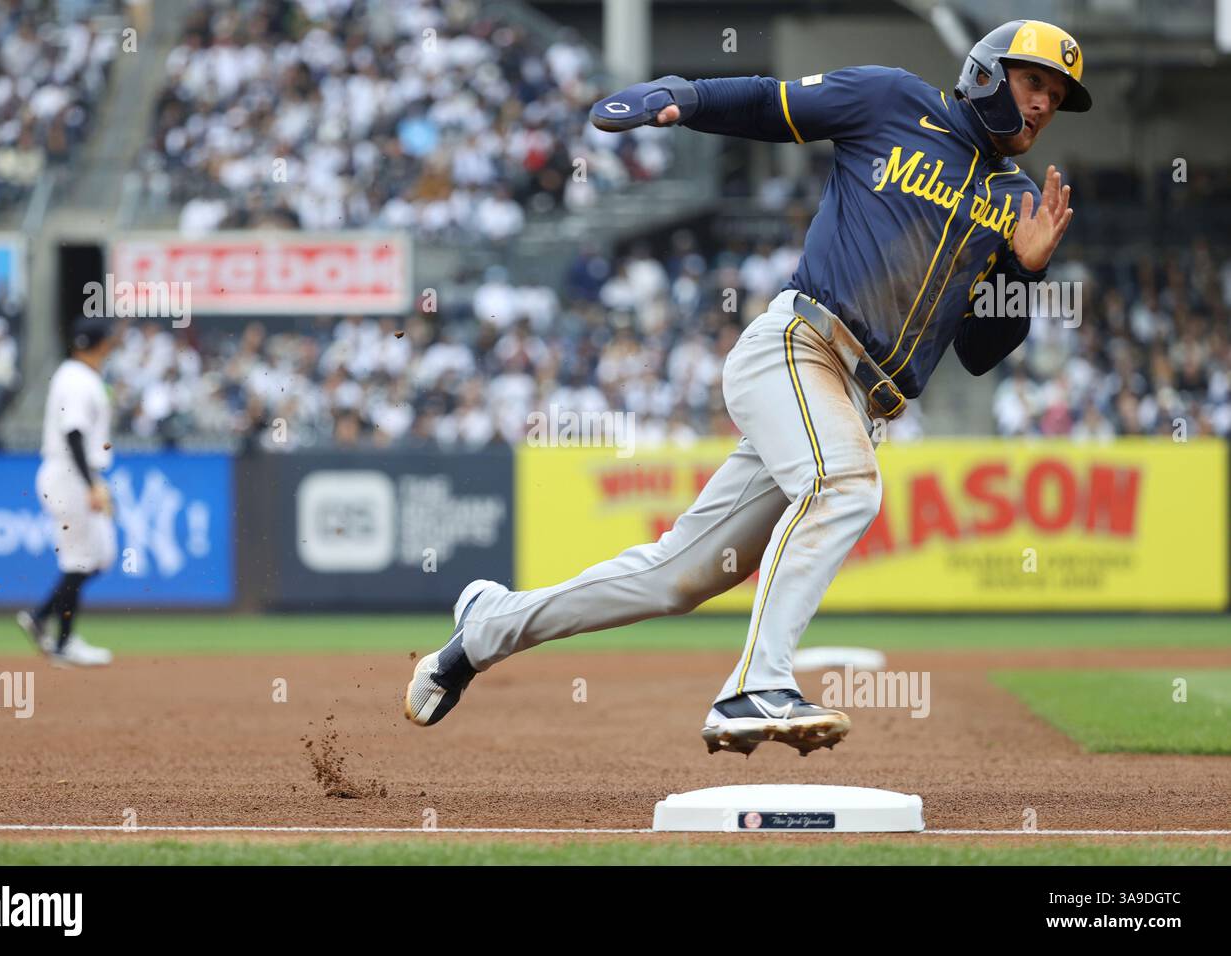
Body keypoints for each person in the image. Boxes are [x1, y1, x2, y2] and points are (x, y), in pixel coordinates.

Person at [405, 20, 1087, 755]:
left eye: (1056, 96)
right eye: (1035, 83)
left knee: (677, 578)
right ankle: (754, 686)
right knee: (846, 487)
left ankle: (484, 630)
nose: (1045, 104)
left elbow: (983, 351)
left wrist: (1025, 271)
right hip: (801, 347)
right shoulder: (894, 101)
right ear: (987, 74)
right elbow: (774, 103)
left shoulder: (1020, 201)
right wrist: (685, 95)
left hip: (857, 399)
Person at [17, 319, 119, 666]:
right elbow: (74, 433)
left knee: (101, 553)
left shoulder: (74, 374)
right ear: (102, 344)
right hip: (69, 476)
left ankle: (44, 617)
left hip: (75, 474)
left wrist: (94, 481)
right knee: (80, 559)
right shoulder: (78, 379)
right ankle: (62, 640)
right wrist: (90, 484)